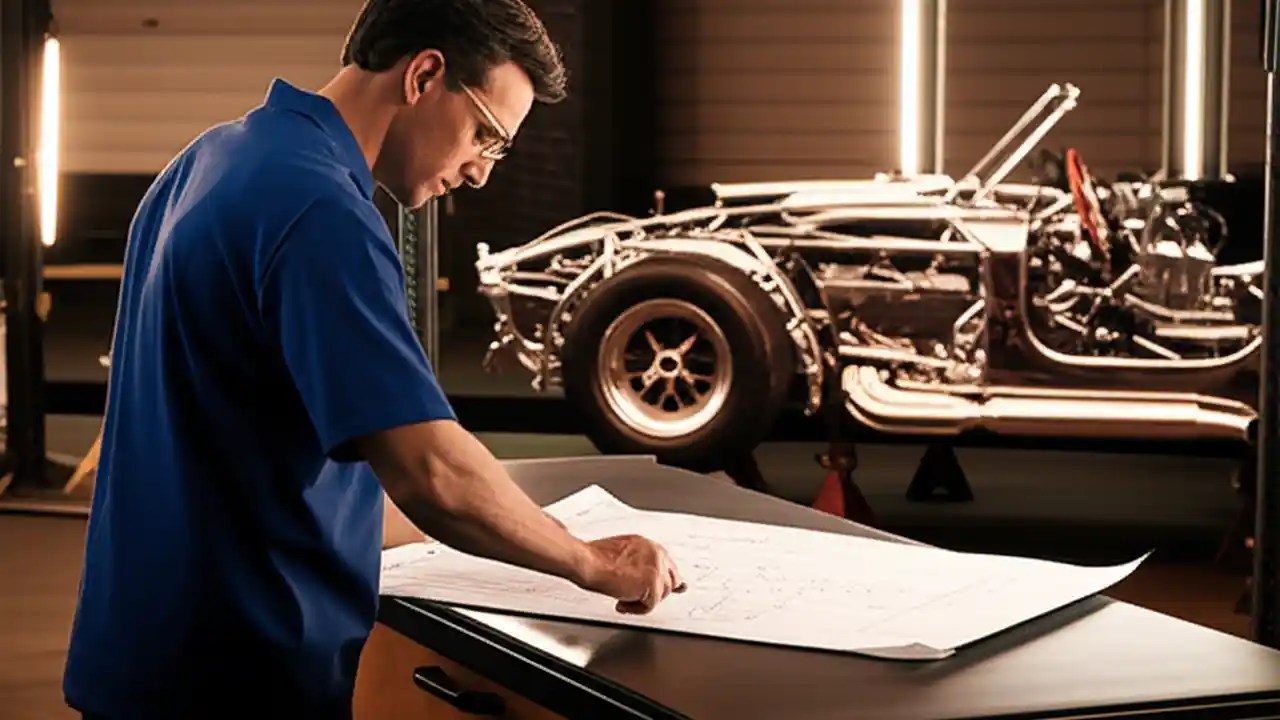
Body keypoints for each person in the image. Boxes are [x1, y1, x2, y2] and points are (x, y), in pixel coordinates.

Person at [61, 1, 683, 718]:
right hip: (236, 676)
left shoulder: (210, 158)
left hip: (142, 654)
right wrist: (592, 561)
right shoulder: (320, 212)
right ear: (423, 75)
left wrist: (518, 523)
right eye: (486, 134)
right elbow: (431, 472)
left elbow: (250, 449)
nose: (481, 171)